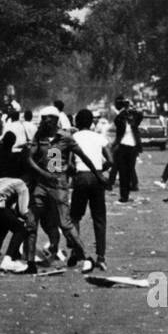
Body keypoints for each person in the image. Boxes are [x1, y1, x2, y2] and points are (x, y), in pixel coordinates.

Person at [25, 111, 88, 270]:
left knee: (65, 224)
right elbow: (30, 158)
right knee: (31, 223)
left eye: (48, 119)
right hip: (41, 185)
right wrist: (42, 173)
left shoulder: (65, 138)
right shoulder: (39, 137)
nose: (45, 122)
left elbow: (80, 156)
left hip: (58, 185)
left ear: (55, 121)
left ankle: (83, 255)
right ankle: (31, 263)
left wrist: (97, 173)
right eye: (43, 119)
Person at [68, 108, 113, 269]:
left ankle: (75, 251)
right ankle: (101, 257)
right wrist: (100, 169)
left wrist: (72, 171)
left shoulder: (72, 137)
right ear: (92, 123)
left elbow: (67, 162)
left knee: (75, 217)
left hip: (80, 178)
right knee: (99, 218)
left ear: (77, 122)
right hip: (97, 179)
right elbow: (110, 159)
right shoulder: (100, 138)